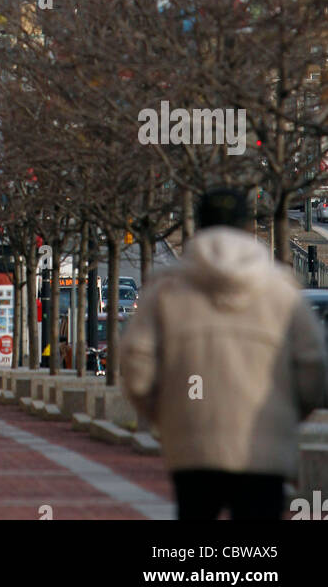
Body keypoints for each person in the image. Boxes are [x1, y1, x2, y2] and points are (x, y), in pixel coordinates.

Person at [121, 186, 328, 521]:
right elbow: (312, 366)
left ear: (198, 225)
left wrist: (167, 415)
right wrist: (290, 414)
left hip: (192, 444)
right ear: (248, 226)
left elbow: (137, 365)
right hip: (264, 445)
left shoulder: (166, 289)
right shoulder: (281, 290)